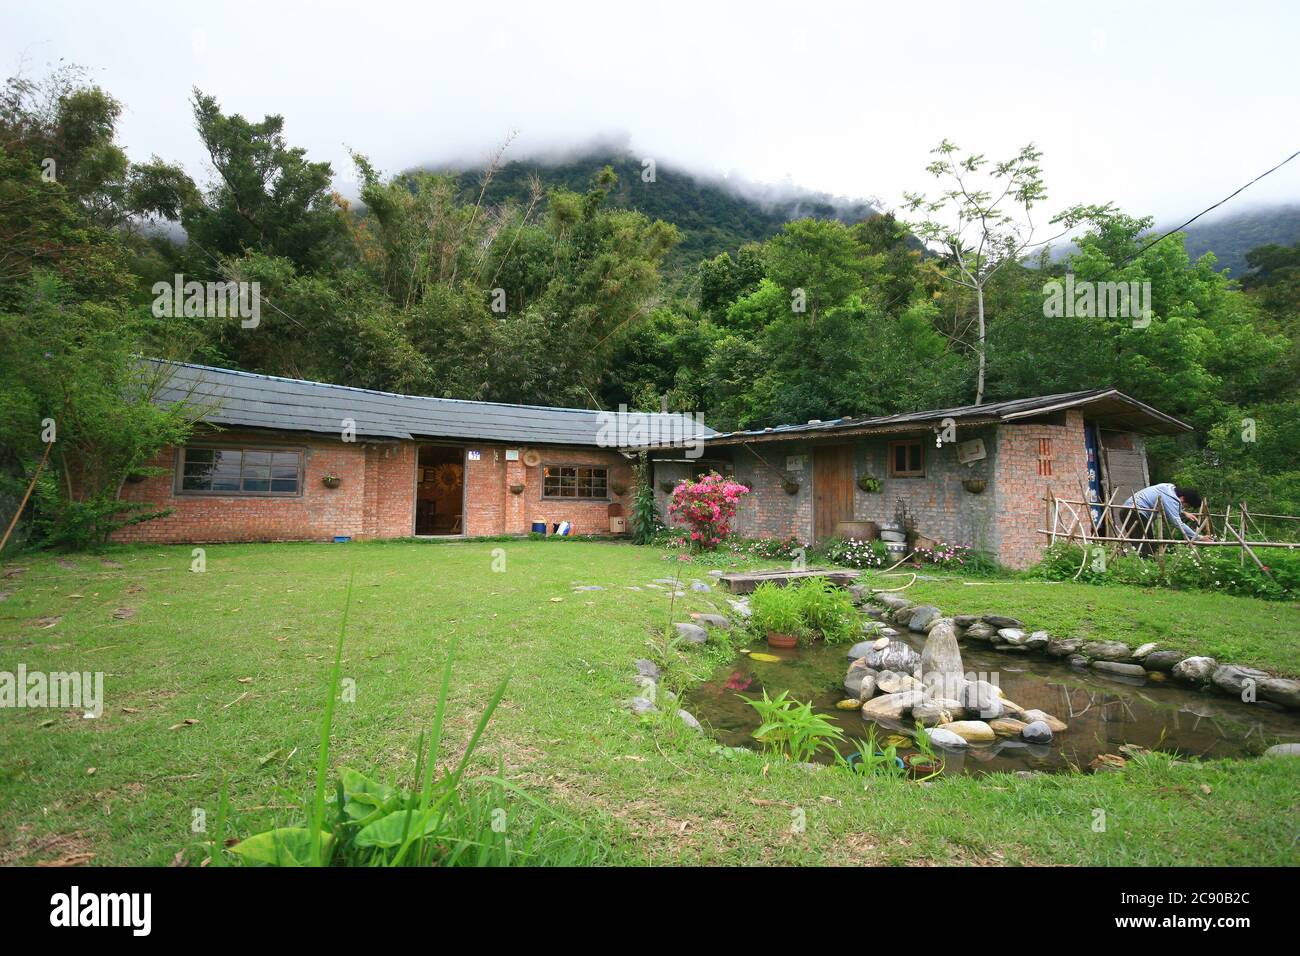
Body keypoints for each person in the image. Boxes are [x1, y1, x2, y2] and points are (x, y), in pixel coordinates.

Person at [1120, 483, 1213, 544]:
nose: (1184, 507)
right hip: (1135, 513)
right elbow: (1177, 522)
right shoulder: (1171, 498)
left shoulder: (1168, 488)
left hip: (1128, 510)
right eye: (1186, 505)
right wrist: (1199, 537)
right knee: (1145, 546)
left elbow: (1170, 507)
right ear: (1183, 498)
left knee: (1142, 543)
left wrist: (1184, 513)